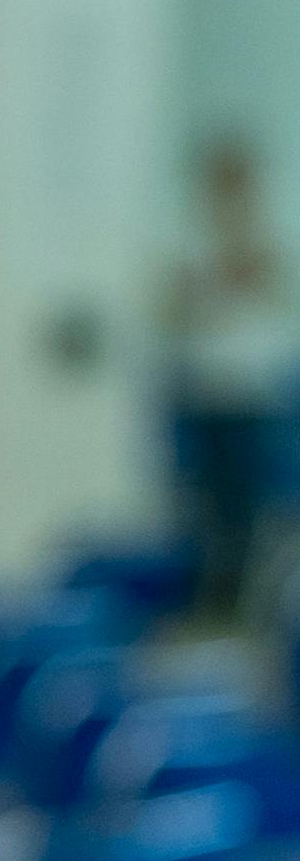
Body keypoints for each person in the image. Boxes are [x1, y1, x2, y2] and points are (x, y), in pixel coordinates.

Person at [167, 128, 298, 619]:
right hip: (205, 396)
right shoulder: (186, 234)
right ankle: (211, 600)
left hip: (256, 398)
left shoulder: (272, 230)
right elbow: (170, 303)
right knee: (207, 508)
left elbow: (274, 285)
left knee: (252, 509)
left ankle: (248, 607)